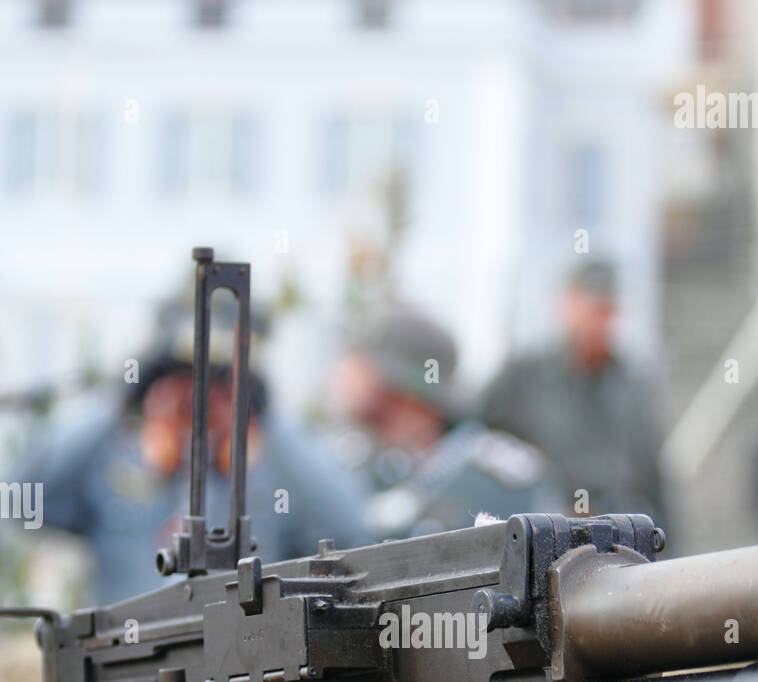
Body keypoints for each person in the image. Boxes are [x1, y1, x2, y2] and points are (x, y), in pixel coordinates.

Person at [18, 298, 369, 604]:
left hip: (240, 665)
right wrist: (119, 397)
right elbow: (22, 500)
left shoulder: (267, 462)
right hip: (133, 661)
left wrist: (262, 410)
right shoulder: (115, 456)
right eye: (179, 378)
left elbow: (347, 526)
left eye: (217, 384)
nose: (196, 398)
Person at [331, 306, 564, 539]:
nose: (343, 372)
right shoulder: (346, 465)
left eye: (359, 360)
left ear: (401, 382)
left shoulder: (503, 482)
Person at [480, 259, 665, 523]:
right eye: (592, 309)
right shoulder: (523, 377)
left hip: (618, 535)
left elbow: (653, 478)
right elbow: (480, 447)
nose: (599, 322)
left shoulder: (630, 386)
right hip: (542, 536)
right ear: (566, 305)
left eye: (608, 311)